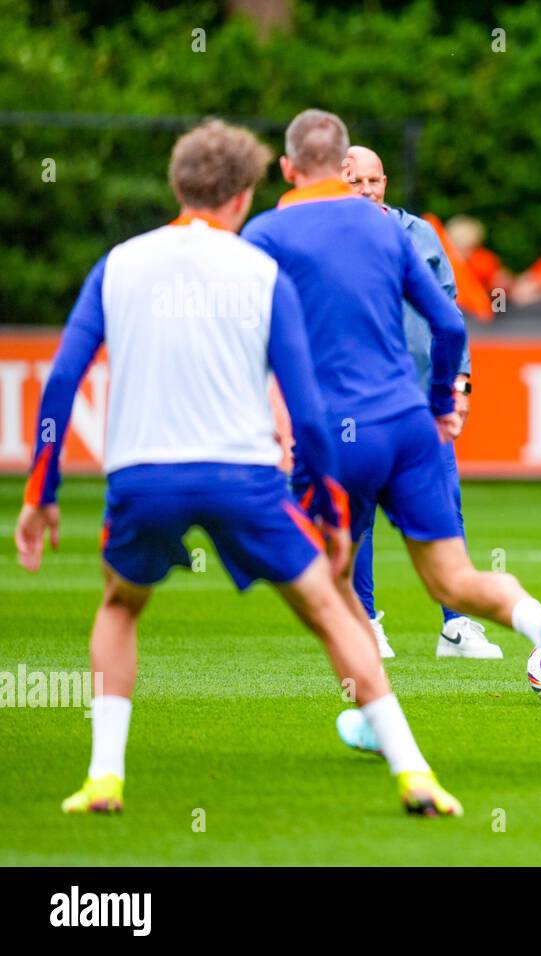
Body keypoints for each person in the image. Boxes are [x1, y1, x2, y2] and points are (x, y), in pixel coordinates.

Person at [15, 119, 459, 817]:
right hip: (243, 475)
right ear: (248, 190)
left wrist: (42, 488)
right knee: (329, 610)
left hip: (143, 474)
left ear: (176, 183)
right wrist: (335, 509)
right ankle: (415, 772)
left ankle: (104, 777)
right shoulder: (261, 268)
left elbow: (63, 379)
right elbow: (308, 407)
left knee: (120, 604)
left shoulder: (122, 261)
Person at [241, 110, 541, 723]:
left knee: (328, 577)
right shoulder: (394, 233)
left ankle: (372, 713)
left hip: (335, 430)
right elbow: (448, 320)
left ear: (286, 168)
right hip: (409, 421)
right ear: (341, 170)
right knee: (455, 577)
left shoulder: (273, 233)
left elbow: (251, 337)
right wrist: (443, 401)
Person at [340, 145, 502, 660]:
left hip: (424, 401)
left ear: (386, 181)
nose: (367, 191)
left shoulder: (420, 234)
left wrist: (461, 382)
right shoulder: (330, 239)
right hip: (361, 401)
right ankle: (364, 622)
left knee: (444, 504)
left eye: (374, 180)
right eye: (355, 182)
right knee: (358, 512)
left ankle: (456, 625)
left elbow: (450, 317)